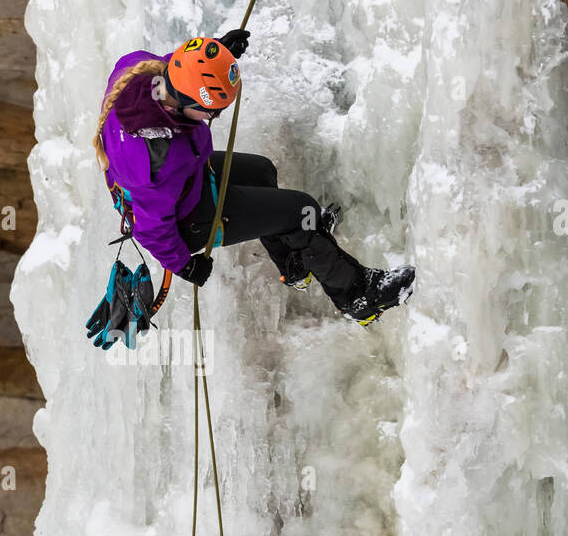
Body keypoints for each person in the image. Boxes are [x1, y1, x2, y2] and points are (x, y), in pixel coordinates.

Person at [92, 32, 415, 325]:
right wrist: (182, 264)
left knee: (262, 171)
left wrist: (216, 58)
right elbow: (152, 227)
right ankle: (358, 297)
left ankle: (294, 263)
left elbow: (182, 68)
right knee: (302, 211)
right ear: (189, 104)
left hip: (186, 183)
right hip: (187, 220)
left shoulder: (139, 71)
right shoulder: (158, 159)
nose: (213, 118)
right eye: (211, 112)